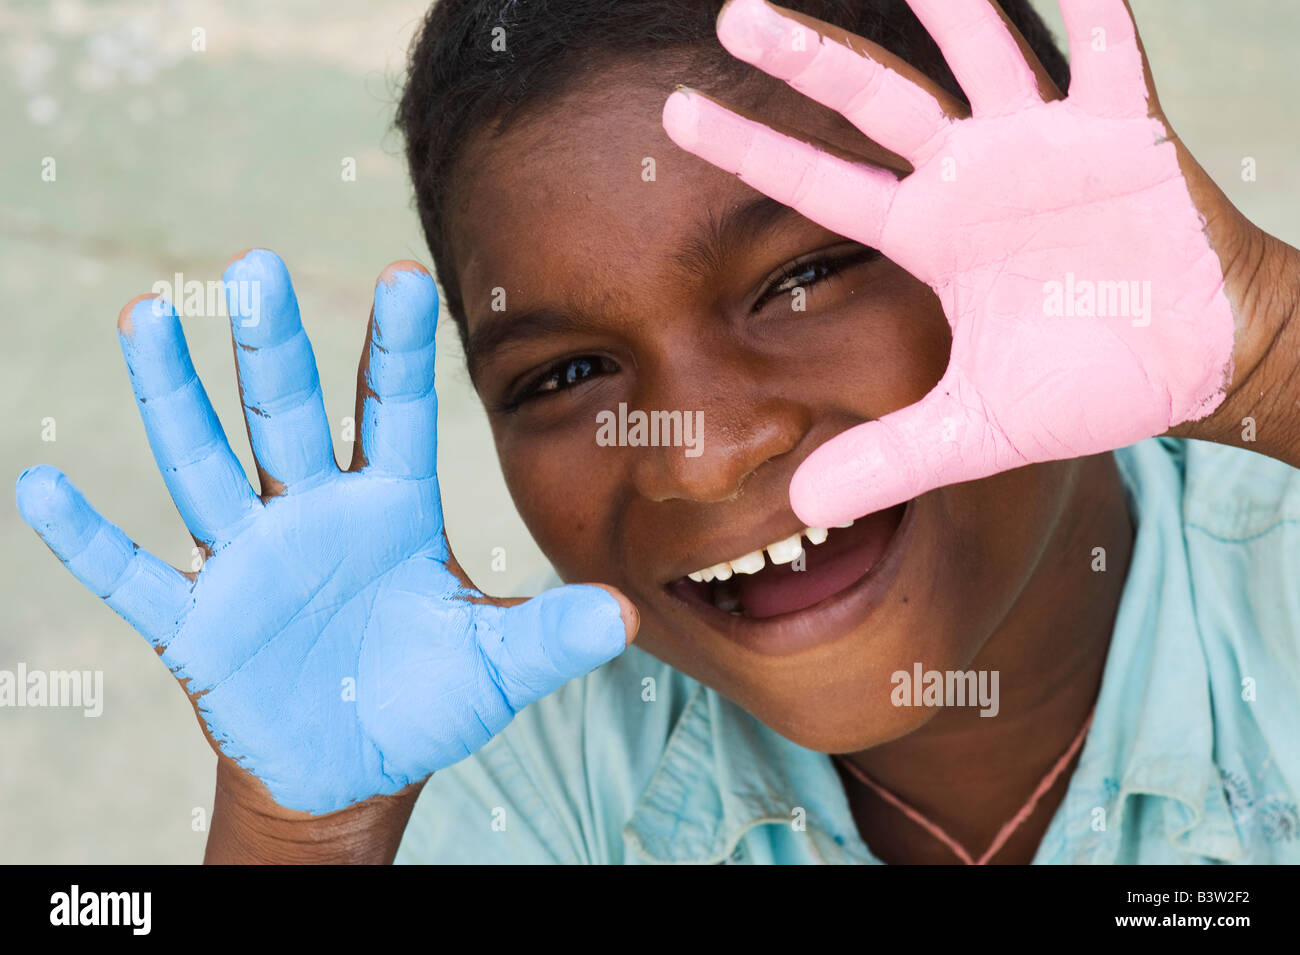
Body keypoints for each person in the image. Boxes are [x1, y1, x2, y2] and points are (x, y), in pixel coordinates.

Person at [15, 0, 1300, 864]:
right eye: (567, 371)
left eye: (805, 278)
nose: (703, 453)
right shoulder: (532, 786)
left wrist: (1267, 351)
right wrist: (304, 839)